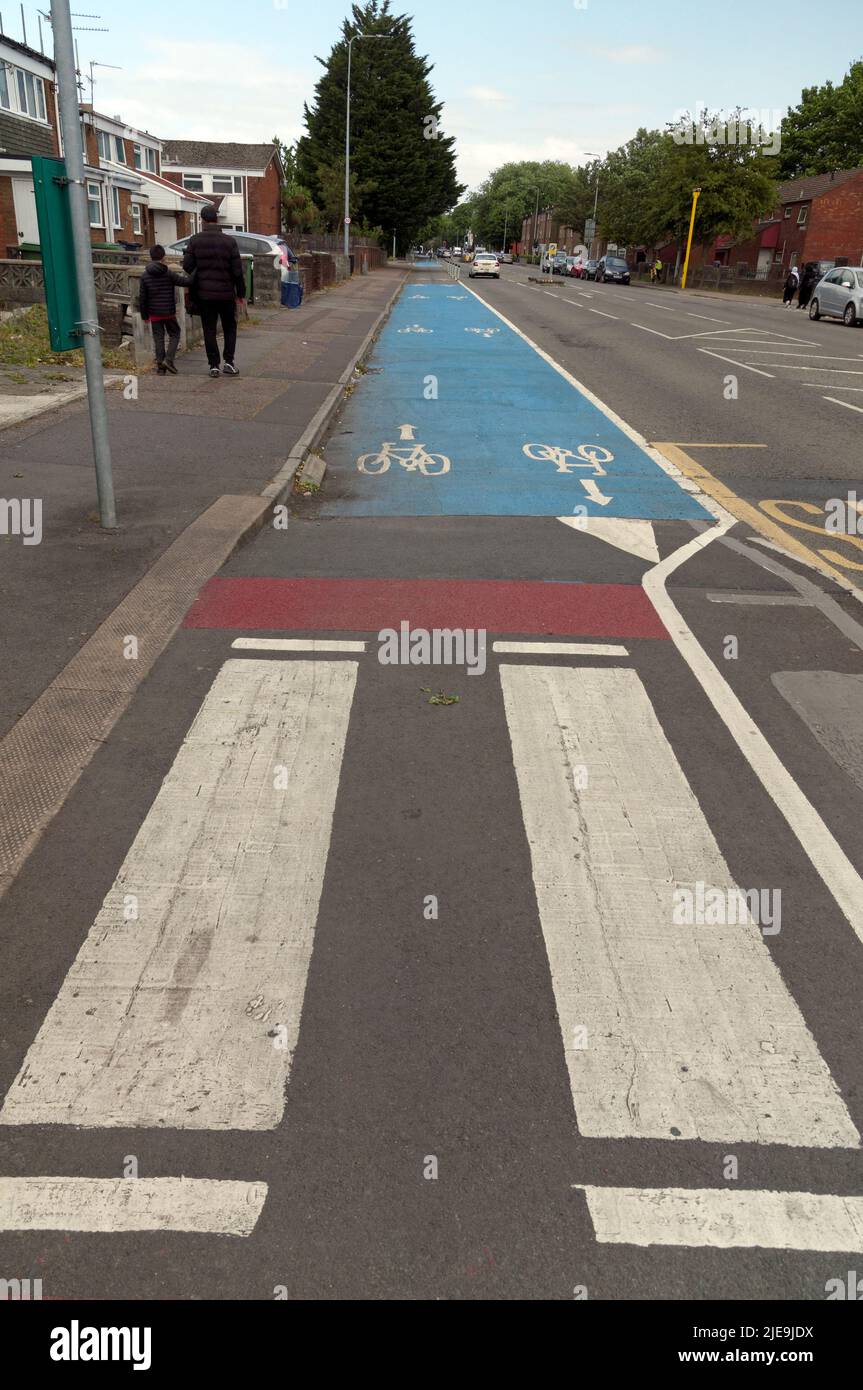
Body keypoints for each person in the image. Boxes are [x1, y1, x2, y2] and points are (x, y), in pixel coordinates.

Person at [182, 205, 246, 377]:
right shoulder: (229, 242)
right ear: (216, 219)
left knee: (209, 329)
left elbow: (187, 266)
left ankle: (213, 365)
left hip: (205, 294)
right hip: (226, 294)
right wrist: (241, 293)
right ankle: (229, 362)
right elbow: (237, 271)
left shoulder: (195, 241)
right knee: (229, 327)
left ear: (202, 220)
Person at [138, 245, 190, 375]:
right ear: (163, 257)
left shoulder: (145, 276)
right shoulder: (168, 273)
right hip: (168, 312)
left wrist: (145, 316)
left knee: (158, 338)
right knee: (175, 333)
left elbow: (142, 298)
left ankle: (161, 368)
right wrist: (196, 273)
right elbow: (185, 282)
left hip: (154, 314)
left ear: (151, 257)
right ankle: (169, 360)